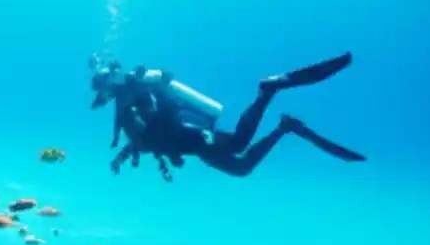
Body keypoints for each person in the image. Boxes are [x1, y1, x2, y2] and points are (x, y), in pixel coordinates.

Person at [89, 52, 366, 180]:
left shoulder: (133, 102)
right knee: (240, 153)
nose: (102, 101)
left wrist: (127, 155)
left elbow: (148, 130)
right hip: (192, 139)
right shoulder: (131, 105)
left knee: (241, 162)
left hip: (194, 138)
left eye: (102, 94)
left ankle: (272, 103)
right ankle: (277, 114)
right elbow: (141, 138)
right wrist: (121, 158)